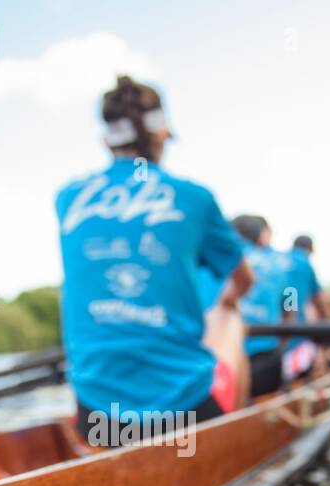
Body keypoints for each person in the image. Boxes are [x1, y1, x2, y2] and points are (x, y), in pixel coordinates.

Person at [56, 76, 254, 444]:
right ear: (161, 134)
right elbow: (245, 281)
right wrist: (222, 305)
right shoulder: (194, 197)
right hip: (186, 415)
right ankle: (232, 445)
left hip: (96, 418)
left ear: (106, 139)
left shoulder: (68, 198)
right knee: (230, 314)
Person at [230, 215, 297, 397]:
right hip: (266, 356)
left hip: (223, 360)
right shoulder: (280, 266)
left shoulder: (215, 260)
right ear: (261, 236)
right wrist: (283, 339)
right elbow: (291, 303)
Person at [282, 234, 330, 377]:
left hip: (273, 336)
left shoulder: (279, 259)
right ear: (310, 250)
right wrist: (328, 330)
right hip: (295, 338)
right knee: (320, 359)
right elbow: (320, 303)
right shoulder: (303, 263)